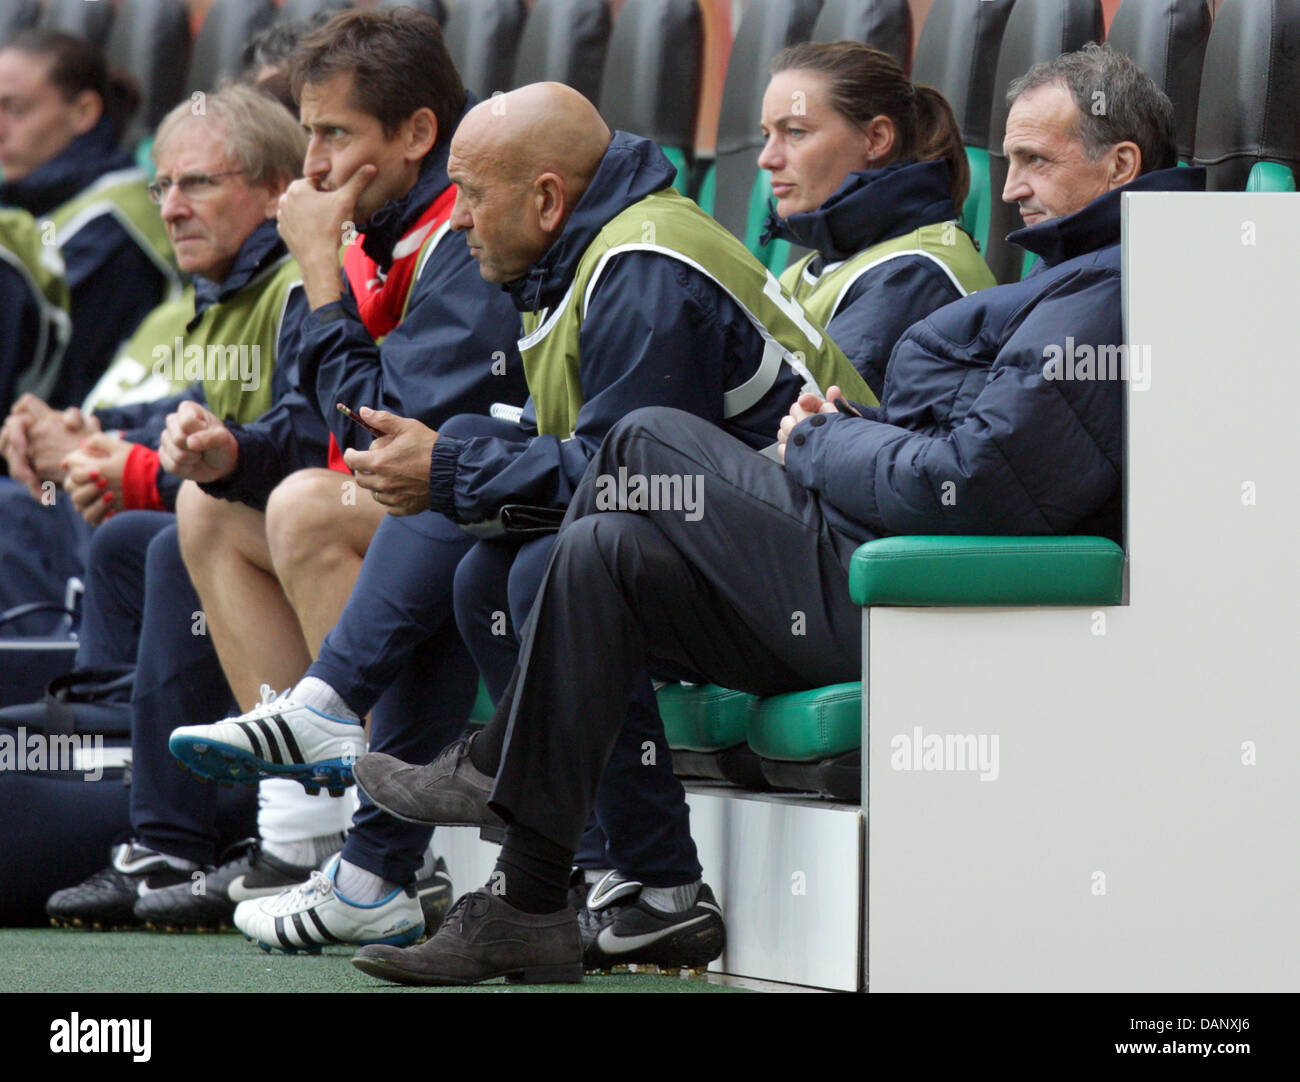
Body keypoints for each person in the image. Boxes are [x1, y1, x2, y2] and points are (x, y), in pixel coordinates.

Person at [344, 42, 1206, 986]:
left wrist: (824, 443)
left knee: (644, 440)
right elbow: (955, 452)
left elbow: (972, 481)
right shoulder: (1076, 279)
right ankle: (532, 905)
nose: (1010, 192)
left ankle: (497, 757)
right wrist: (848, 433)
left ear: (1121, 164)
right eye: (1013, 162)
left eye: (1037, 163)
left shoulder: (1104, 298)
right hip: (865, 569)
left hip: (914, 603)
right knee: (592, 551)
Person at [167, 80, 873, 966]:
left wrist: (452, 467)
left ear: (546, 198)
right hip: (749, 566)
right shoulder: (574, 258)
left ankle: (483, 788)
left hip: (827, 584)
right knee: (495, 566)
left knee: (540, 556)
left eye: (473, 194)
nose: (458, 220)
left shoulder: (641, 266)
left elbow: (633, 475)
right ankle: (629, 885)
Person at [151, 7, 527, 946]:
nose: (312, 166)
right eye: (308, 131)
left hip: (507, 503)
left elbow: (380, 437)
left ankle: (368, 804)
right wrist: (233, 451)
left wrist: (318, 269)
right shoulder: (375, 222)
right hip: (448, 503)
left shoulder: (461, 228)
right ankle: (300, 830)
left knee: (312, 508)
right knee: (210, 512)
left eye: (334, 136)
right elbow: (320, 420)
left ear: (416, 135)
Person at [39, 84, 364, 931]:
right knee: (129, 543)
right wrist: (92, 435)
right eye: (162, 188)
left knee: (169, 536)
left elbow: (312, 440)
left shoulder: (296, 283)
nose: (172, 209)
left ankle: (211, 830)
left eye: (198, 185)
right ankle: (155, 824)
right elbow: (194, 411)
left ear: (271, 189)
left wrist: (148, 470)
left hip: (348, 525)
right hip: (287, 519)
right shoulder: (221, 292)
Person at [759, 41, 995, 395]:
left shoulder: (914, 275)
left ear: (876, 138)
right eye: (766, 135)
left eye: (795, 132)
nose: (767, 158)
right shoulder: (813, 267)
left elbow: (803, 423)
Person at [0, 30, 179, 409]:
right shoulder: (36, 200)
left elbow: (53, 387)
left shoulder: (114, 228)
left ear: (83, 112)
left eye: (15, 110)